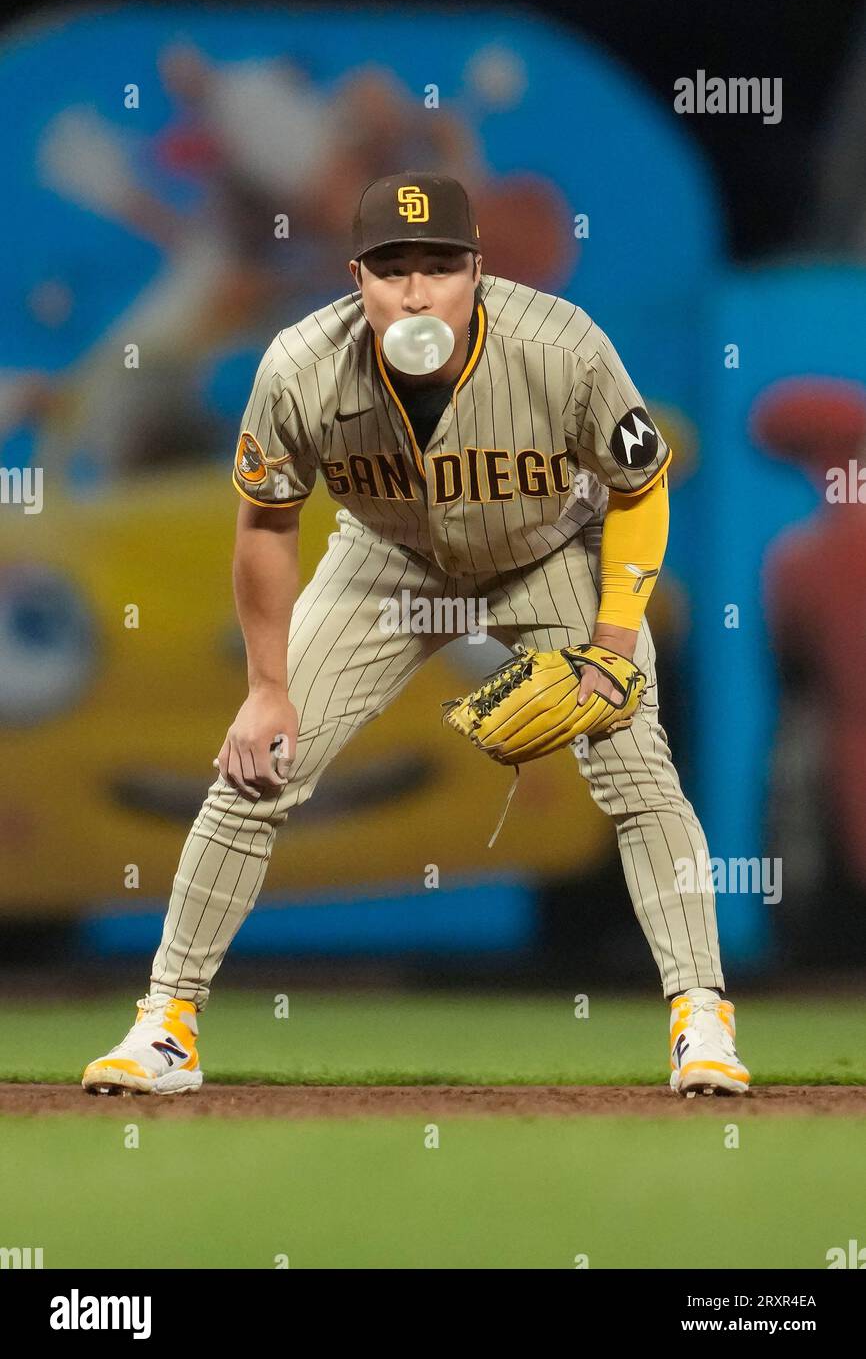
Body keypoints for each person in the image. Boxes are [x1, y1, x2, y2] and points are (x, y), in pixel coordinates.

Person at [82, 172, 750, 1099]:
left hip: (545, 548)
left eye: (440, 265)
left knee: (638, 768)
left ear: (477, 269)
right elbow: (268, 525)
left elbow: (639, 487)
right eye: (394, 268)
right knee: (255, 769)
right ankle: (166, 1025)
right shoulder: (302, 365)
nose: (417, 291)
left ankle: (701, 1019)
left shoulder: (561, 347)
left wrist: (612, 639)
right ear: (356, 275)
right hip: (386, 559)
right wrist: (265, 686)